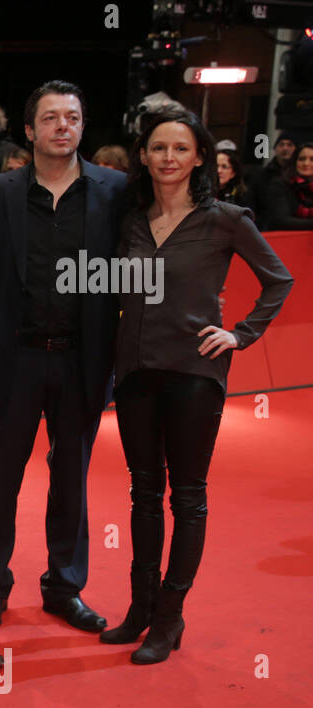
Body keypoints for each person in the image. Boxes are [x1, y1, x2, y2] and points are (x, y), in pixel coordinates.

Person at [105, 110, 291, 663]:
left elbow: (279, 279)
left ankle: (169, 615)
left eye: (181, 149)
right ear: (143, 156)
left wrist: (240, 334)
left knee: (187, 498)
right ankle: (140, 607)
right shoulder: (131, 220)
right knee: (143, 494)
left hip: (194, 374)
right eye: (158, 148)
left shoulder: (226, 219)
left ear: (200, 157)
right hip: (135, 373)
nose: (169, 158)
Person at [0, 80, 127, 636]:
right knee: (1, 481)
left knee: (72, 480)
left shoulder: (115, 190)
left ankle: (65, 588)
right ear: (30, 130)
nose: (63, 126)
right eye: (52, 117)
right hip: (13, 360)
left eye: (73, 117)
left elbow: (144, 257)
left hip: (83, 359)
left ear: (83, 126)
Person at [246, 132, 298, 228]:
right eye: (281, 144)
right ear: (275, 149)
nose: (285, 148)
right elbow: (251, 205)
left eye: (289, 145)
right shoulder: (260, 176)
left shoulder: (301, 177)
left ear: (296, 149)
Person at [263, 141, 313, 230]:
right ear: (295, 162)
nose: (306, 163)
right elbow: (281, 221)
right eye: (301, 159)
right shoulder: (280, 184)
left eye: (312, 159)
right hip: (283, 236)